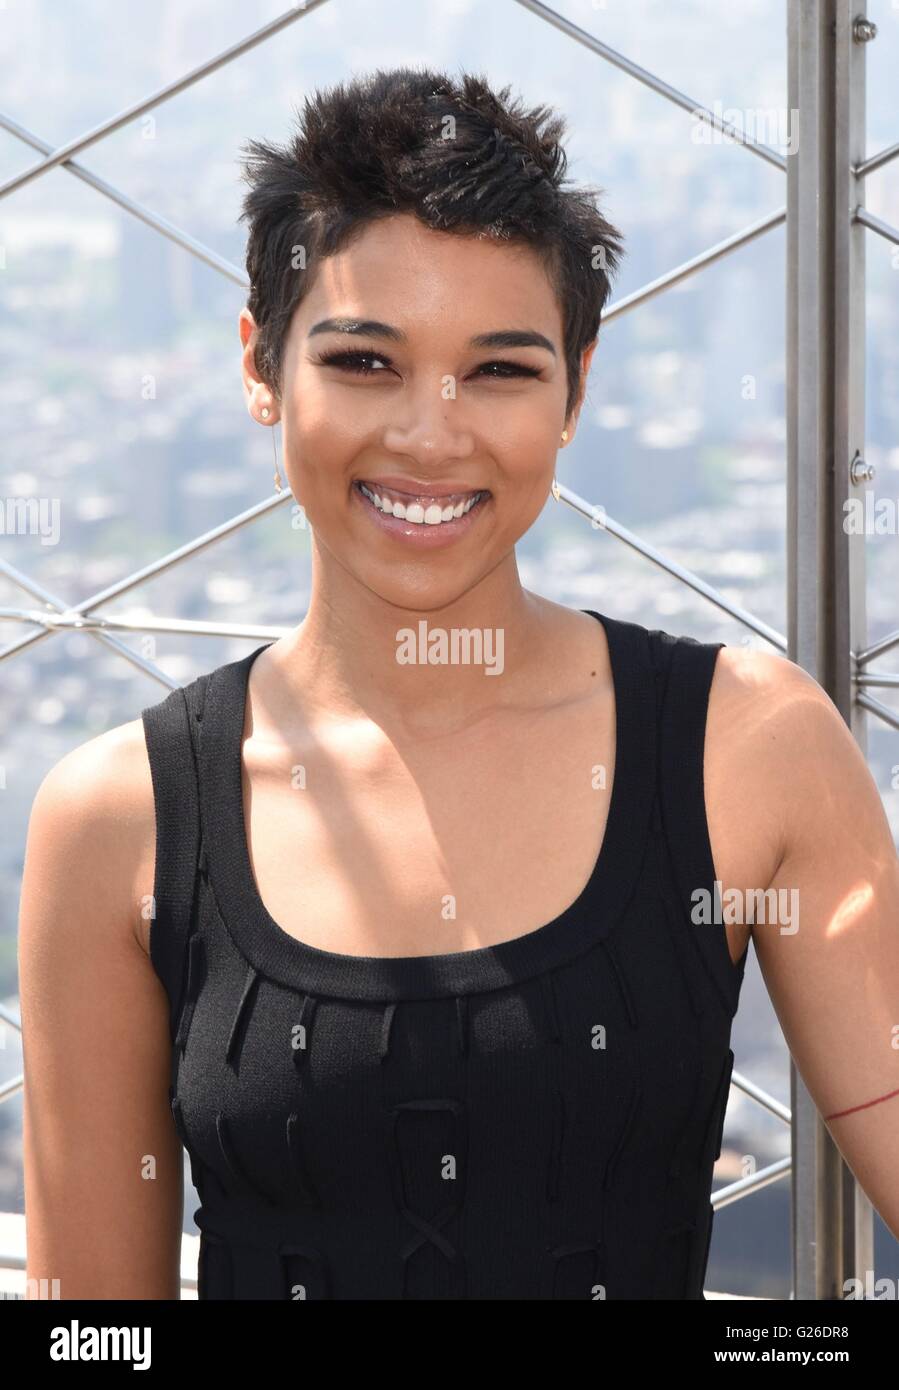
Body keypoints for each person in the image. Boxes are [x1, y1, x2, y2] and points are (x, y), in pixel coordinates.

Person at [18, 66, 899, 1301]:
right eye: (366, 361)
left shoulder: (745, 746)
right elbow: (94, 1330)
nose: (431, 435)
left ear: (576, 390)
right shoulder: (118, 818)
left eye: (498, 371)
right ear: (260, 365)